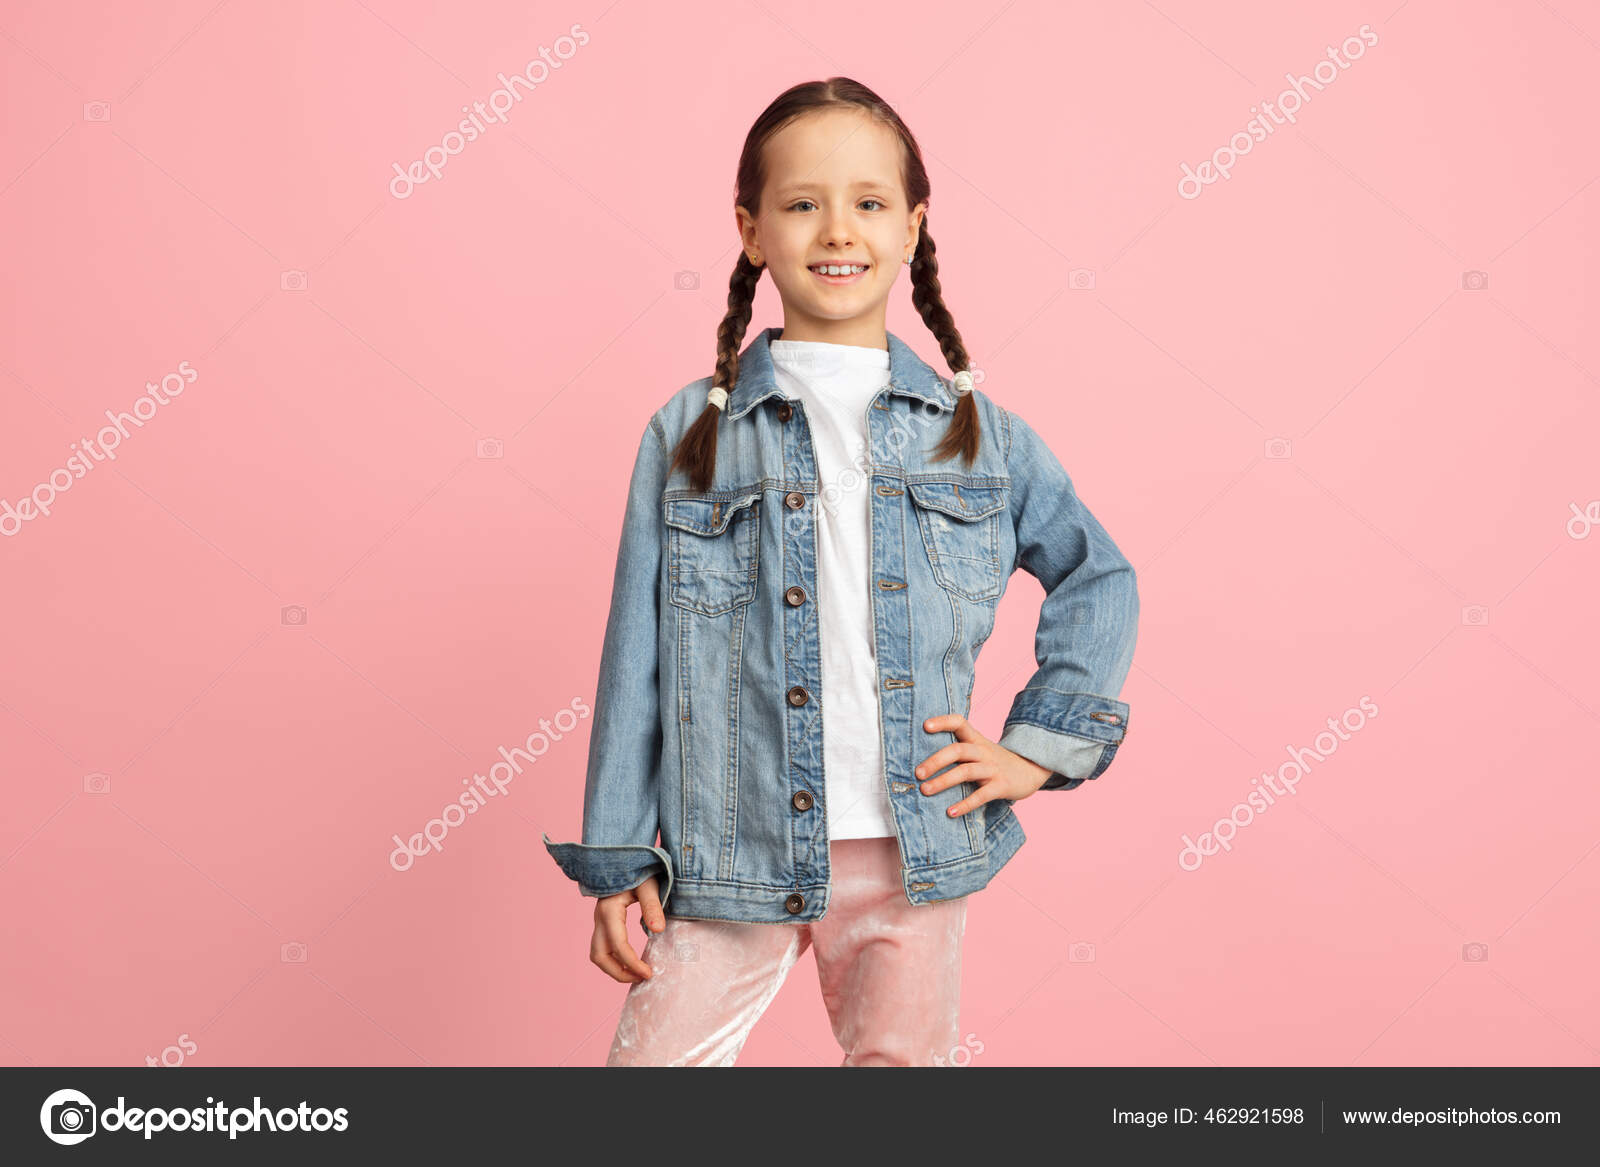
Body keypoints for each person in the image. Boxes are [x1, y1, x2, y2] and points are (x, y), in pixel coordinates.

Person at [543, 76, 1139, 1066]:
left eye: (867, 202)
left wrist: (1039, 747)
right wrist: (614, 858)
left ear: (911, 227)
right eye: (801, 202)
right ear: (751, 228)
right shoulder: (689, 431)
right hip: (729, 850)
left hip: (917, 848)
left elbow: (1097, 576)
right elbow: (634, 660)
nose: (837, 228)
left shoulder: (974, 435)